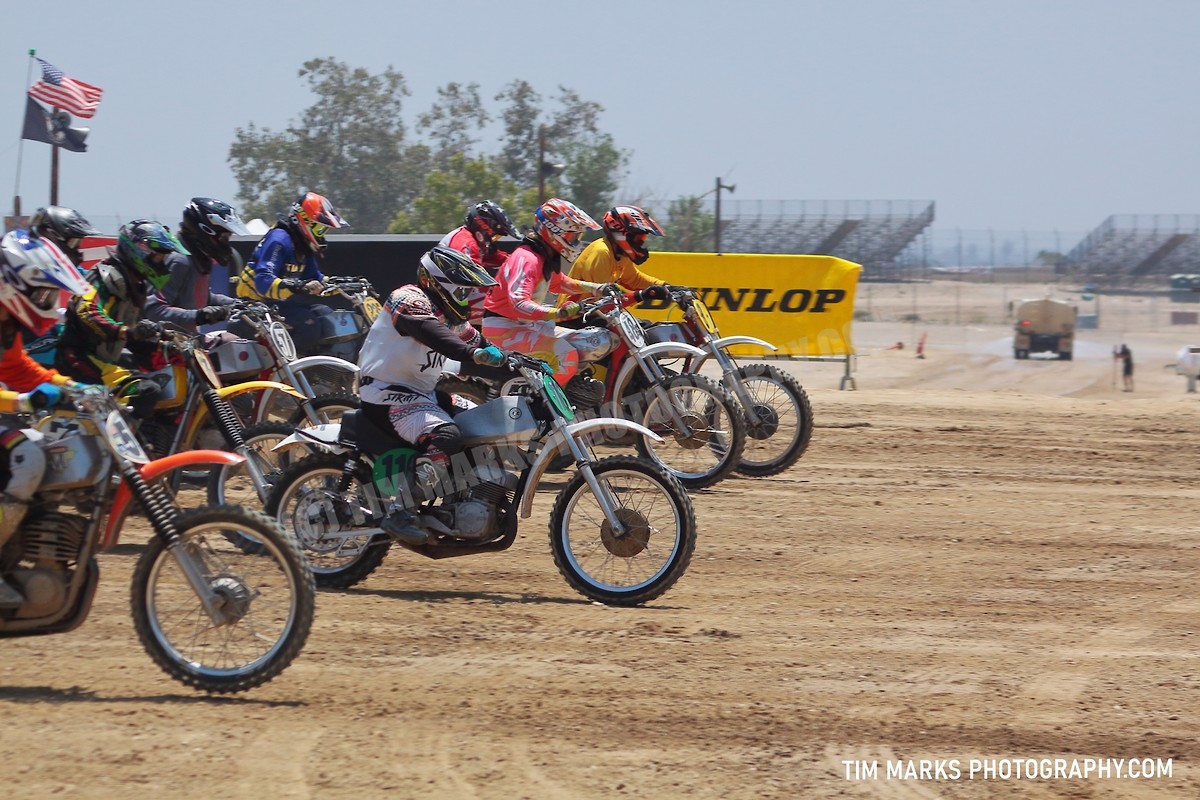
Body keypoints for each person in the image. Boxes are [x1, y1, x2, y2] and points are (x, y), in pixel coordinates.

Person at [357, 245, 509, 545]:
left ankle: (461, 498)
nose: (468, 298)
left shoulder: (452, 318)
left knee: (484, 421)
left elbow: (479, 341)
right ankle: (398, 509)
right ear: (439, 283)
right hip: (385, 393)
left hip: (421, 394)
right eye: (463, 291)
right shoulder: (408, 299)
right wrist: (473, 353)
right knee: (447, 435)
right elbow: (431, 332)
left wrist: (518, 361)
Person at [0, 229, 90, 607]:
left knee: (54, 449)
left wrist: (71, 386)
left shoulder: (6, 322)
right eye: (43, 294)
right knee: (28, 455)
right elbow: (20, 387)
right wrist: (23, 401)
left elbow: (17, 367)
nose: (50, 302)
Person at [481, 198, 617, 408]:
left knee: (585, 341)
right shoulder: (527, 259)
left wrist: (595, 288)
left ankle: (565, 391)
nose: (576, 240)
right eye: (572, 234)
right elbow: (519, 303)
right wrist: (558, 313)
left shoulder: (542, 256)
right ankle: (545, 410)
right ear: (553, 231)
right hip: (504, 328)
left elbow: (559, 283)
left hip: (524, 325)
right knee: (567, 355)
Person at [55, 220, 188, 421]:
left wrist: (162, 344)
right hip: (79, 358)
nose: (162, 263)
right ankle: (123, 450)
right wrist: (127, 332)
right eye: (159, 256)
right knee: (145, 390)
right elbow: (86, 311)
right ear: (141, 251)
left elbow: (132, 335)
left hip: (104, 360)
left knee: (161, 388)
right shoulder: (106, 277)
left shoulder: (134, 285)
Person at [235, 189, 349, 354]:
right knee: (308, 323)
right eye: (319, 229)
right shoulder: (279, 239)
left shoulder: (303, 246)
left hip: (276, 305)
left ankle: (314, 372)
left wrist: (343, 285)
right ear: (304, 221)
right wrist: (298, 286)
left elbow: (316, 280)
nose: (322, 235)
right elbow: (263, 282)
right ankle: (286, 371)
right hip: (252, 307)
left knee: (326, 316)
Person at [144, 197, 248, 334]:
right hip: (165, 344)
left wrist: (237, 304)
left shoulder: (197, 259)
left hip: (189, 340)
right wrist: (200, 316)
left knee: (237, 344)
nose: (226, 244)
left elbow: (201, 296)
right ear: (205, 231)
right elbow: (153, 310)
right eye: (224, 238)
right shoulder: (179, 260)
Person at [559, 205, 673, 308]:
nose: (641, 244)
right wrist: (641, 295)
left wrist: (666, 286)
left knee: (650, 328)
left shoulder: (620, 254)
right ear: (623, 233)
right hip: (574, 317)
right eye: (639, 239)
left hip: (595, 316)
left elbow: (634, 279)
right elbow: (607, 299)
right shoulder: (602, 252)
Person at [440, 200, 520, 326]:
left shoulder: (473, 241)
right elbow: (472, 279)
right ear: (484, 229)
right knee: (509, 304)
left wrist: (524, 263)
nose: (495, 240)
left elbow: (501, 258)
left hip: (455, 296)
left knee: (508, 300)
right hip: (447, 301)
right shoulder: (466, 243)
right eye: (495, 236)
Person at [28, 205, 101, 267]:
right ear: (52, 236)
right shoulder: (28, 269)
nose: (77, 251)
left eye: (78, 243)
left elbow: (84, 281)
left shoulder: (70, 274)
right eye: (73, 243)